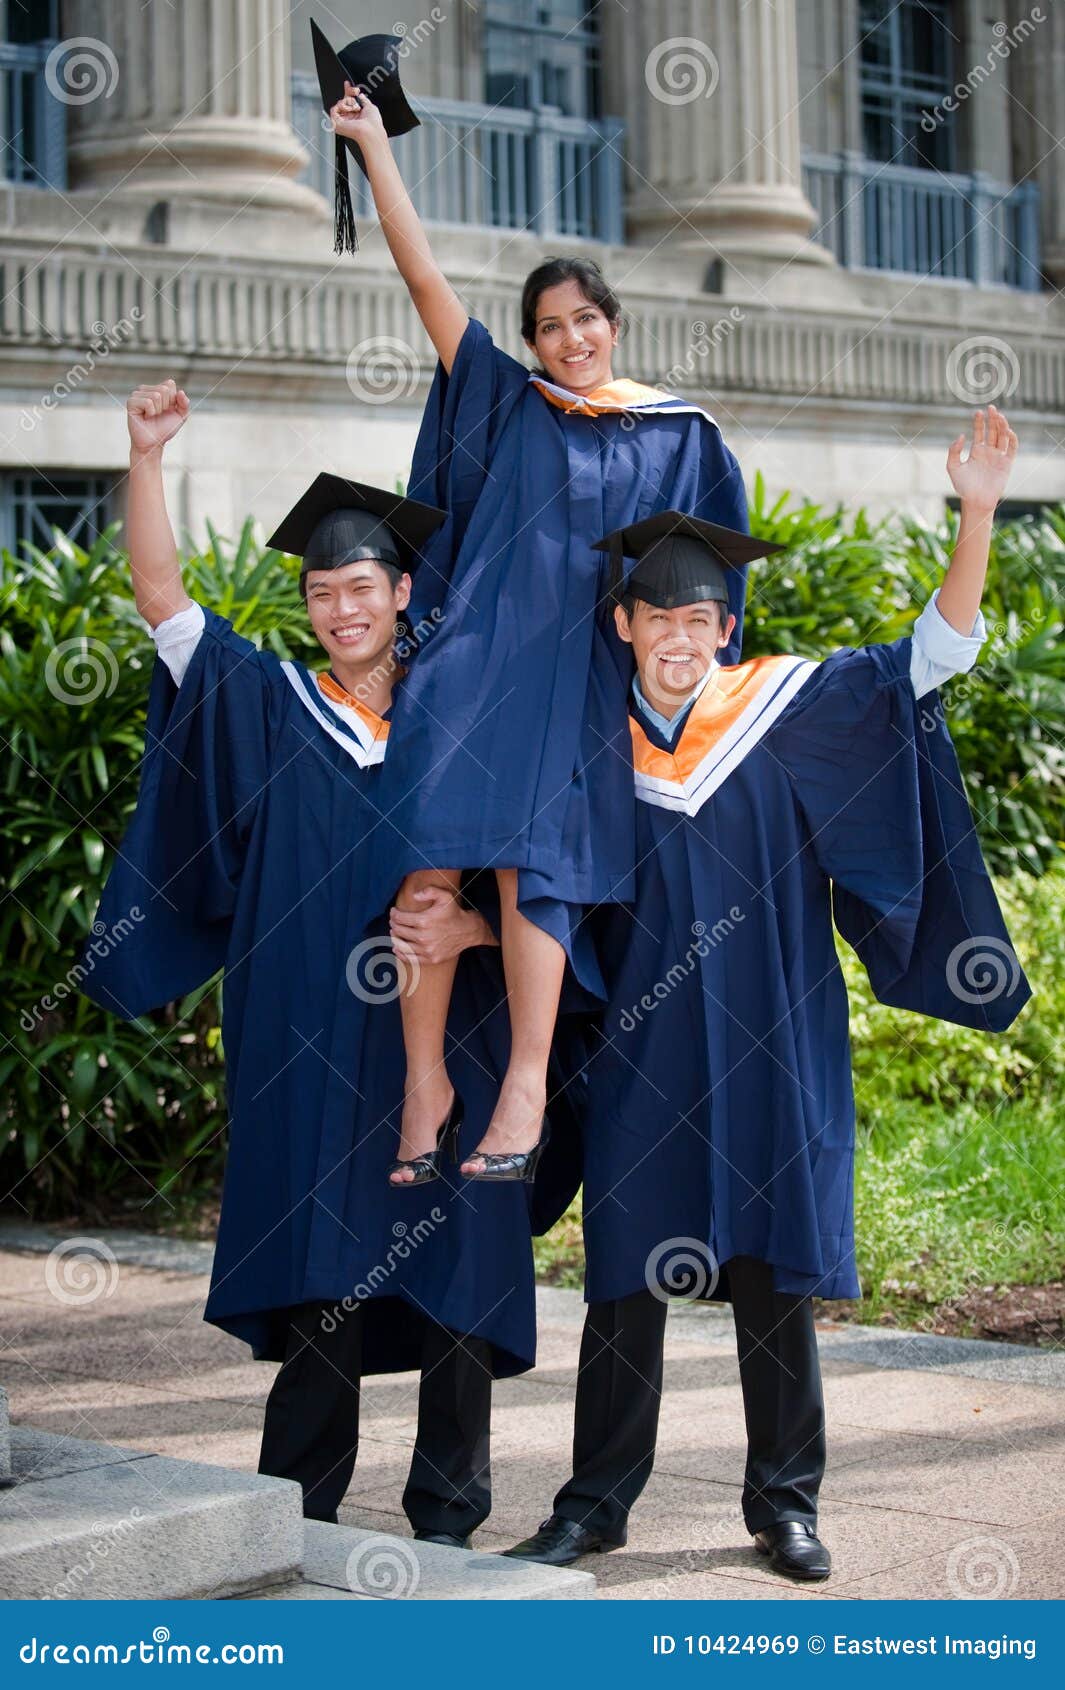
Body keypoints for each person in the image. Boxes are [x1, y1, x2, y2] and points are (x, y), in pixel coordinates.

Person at [504, 405, 1031, 1581]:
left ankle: (785, 1503)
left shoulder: (789, 709)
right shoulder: (584, 740)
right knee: (626, 1278)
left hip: (774, 1039)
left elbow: (931, 660)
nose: (678, 637)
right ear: (622, 623)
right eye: (658, 618)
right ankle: (595, 1504)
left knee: (773, 1274)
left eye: (700, 618)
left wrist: (978, 513)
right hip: (639, 1052)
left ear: (726, 626)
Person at [77, 378, 539, 1546]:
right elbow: (162, 600)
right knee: (326, 1257)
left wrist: (480, 933)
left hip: (456, 1031)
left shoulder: (466, 720)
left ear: (403, 591)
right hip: (309, 1039)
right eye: (322, 592)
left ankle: (450, 1508)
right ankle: (300, 1499)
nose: (342, 609)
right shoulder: (270, 703)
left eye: (361, 587)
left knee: (456, 1254)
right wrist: (145, 457)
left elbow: (547, 872)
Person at [326, 78, 751, 1185]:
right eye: (550, 326)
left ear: (614, 325)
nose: (570, 339)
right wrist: (373, 149)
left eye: (585, 320)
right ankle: (427, 1084)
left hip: (584, 680)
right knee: (424, 861)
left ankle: (522, 1091)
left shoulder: (677, 432)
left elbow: (707, 590)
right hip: (474, 666)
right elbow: (425, 278)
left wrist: (687, 686)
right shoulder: (509, 404)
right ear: (530, 341)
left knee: (535, 870)